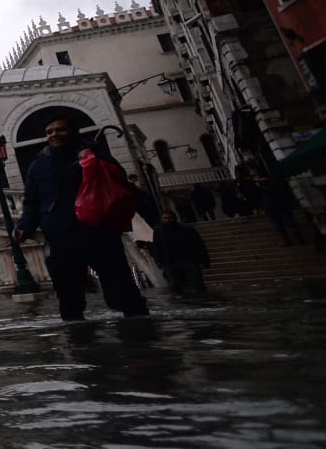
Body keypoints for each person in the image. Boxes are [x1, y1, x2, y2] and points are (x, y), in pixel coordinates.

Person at [15, 118, 149, 321]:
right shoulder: (38, 165)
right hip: (61, 233)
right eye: (49, 131)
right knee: (68, 291)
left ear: (73, 132)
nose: (54, 134)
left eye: (60, 129)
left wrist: (93, 161)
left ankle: (138, 322)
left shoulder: (96, 154)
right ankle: (76, 330)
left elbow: (117, 179)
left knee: (119, 283)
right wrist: (25, 225)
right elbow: (32, 200)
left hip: (98, 230)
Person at [151, 210, 210, 296]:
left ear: (175, 218)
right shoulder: (158, 231)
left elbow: (198, 245)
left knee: (196, 282)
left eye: (169, 218)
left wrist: (204, 260)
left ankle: (202, 297)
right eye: (165, 218)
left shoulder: (187, 229)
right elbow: (157, 247)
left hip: (188, 259)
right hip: (170, 262)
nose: (167, 220)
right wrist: (158, 260)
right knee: (175, 284)